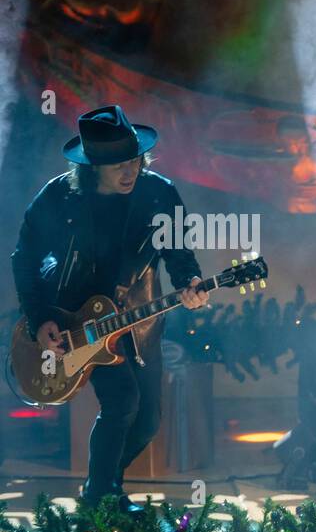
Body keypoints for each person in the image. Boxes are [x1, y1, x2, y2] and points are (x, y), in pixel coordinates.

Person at [10, 105, 209, 511]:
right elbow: (23, 258)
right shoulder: (59, 197)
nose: (129, 171)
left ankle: (102, 487)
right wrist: (39, 318)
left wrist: (190, 283)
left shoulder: (159, 193)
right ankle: (102, 498)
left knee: (148, 422)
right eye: (117, 164)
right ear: (92, 166)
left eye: (134, 160)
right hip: (74, 323)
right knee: (122, 403)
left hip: (139, 323)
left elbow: (179, 254)